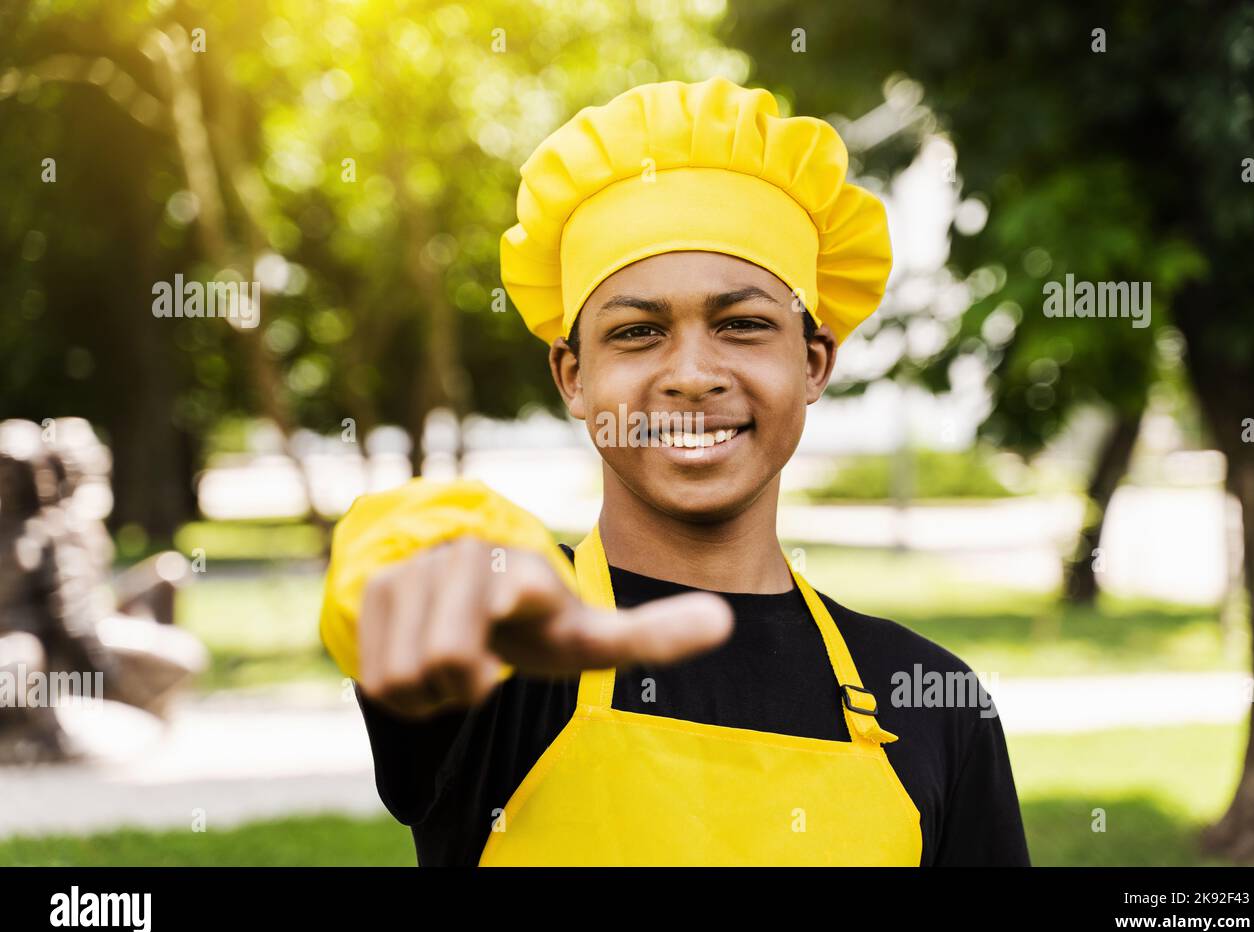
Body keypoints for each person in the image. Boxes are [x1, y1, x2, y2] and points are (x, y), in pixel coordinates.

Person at [319, 77, 1031, 866]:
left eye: (743, 324)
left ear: (813, 362)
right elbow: (397, 609)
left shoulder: (929, 699)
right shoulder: (513, 653)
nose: (693, 373)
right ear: (573, 377)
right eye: (637, 331)